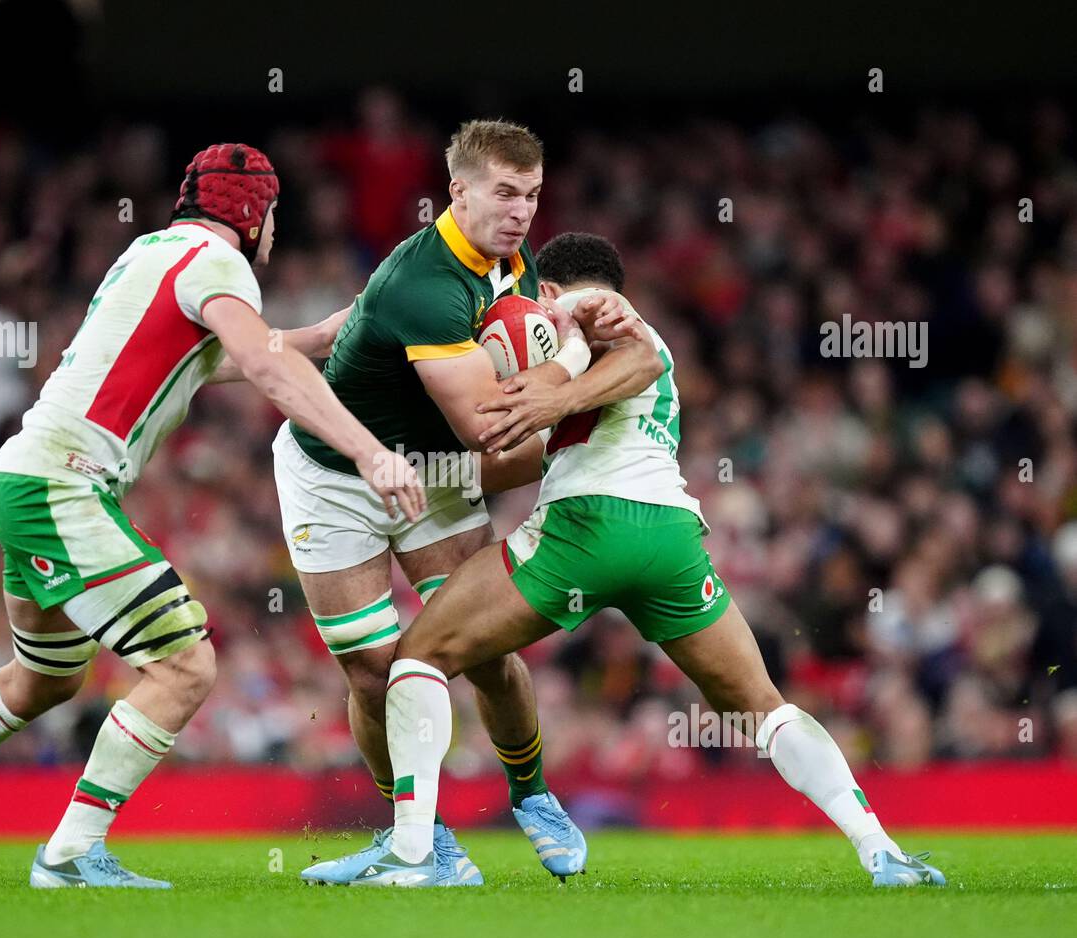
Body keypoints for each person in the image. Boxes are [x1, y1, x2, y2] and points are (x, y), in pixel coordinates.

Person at [0, 143, 425, 888]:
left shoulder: (151, 252)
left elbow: (237, 352)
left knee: (45, 676)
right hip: (64, 486)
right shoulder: (222, 267)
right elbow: (265, 364)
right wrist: (373, 453)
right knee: (185, 663)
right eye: (273, 212)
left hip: (24, 478)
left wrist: (345, 322)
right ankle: (72, 851)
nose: (277, 228)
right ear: (252, 214)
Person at [314, 232, 947, 889]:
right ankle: (881, 850)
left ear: (550, 288)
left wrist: (551, 394)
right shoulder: (630, 345)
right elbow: (540, 450)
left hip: (584, 530)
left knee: (419, 656)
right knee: (764, 704)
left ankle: (416, 854)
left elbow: (635, 359)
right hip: (669, 541)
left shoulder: (585, 311)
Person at [274, 120, 634, 886]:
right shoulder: (426, 285)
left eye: (532, 195)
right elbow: (490, 433)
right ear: (457, 191)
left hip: (432, 470)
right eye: (504, 193)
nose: (521, 211)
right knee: (375, 673)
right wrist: (578, 365)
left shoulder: (514, 262)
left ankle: (533, 796)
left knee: (485, 646)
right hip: (338, 475)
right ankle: (424, 838)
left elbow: (487, 429)